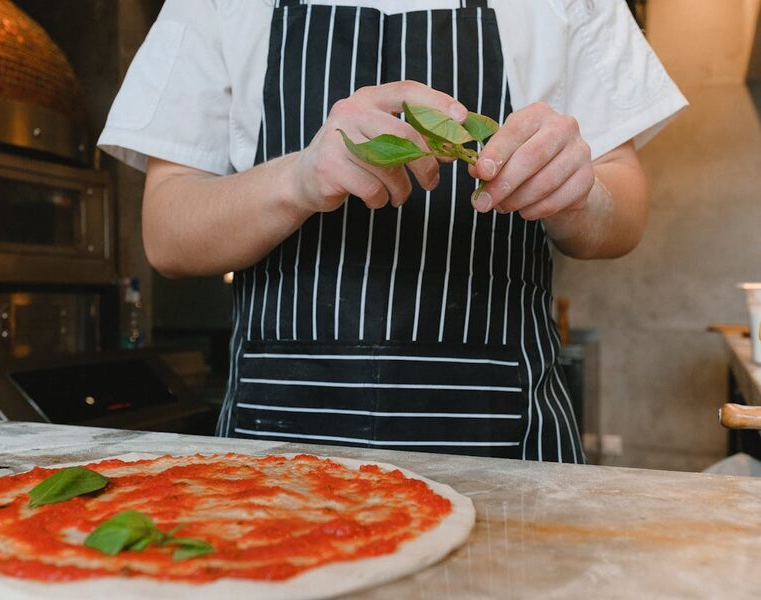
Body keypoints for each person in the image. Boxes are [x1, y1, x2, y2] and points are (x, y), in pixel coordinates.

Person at [99, 0, 687, 463]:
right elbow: (167, 235)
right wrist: (300, 179)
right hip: (275, 454)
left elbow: (624, 212)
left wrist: (576, 194)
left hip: (508, 443)